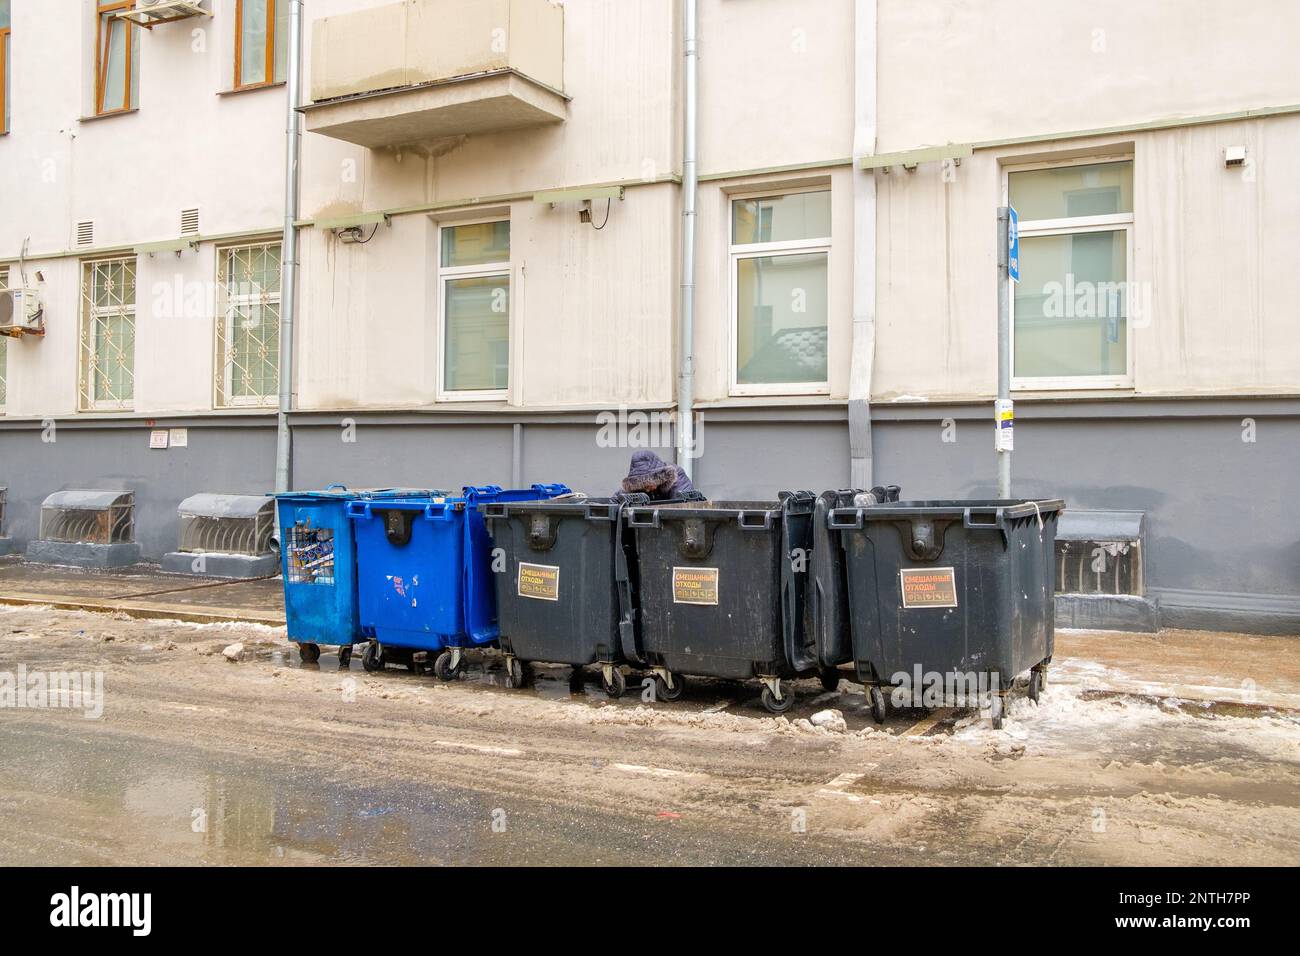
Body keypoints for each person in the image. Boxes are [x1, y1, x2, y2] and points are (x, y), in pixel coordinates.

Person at [615, 450, 697, 501]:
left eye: (648, 484)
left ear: (657, 478)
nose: (647, 490)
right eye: (642, 486)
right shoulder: (635, 486)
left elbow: (683, 507)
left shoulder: (677, 478)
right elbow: (616, 500)